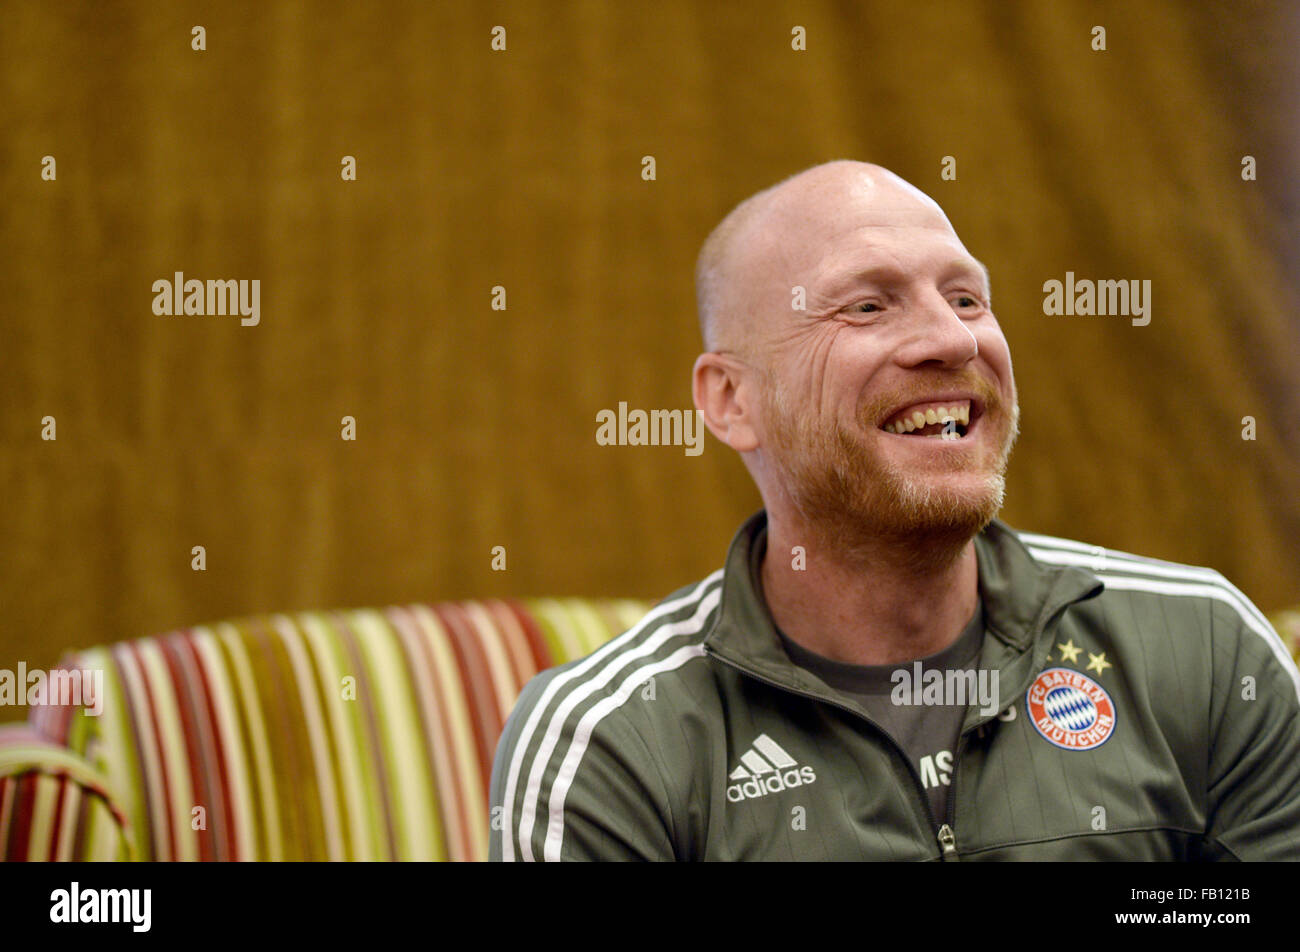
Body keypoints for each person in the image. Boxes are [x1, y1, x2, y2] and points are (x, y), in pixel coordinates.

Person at [489, 160, 1300, 860]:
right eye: (868, 307)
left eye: (968, 299)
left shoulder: (1205, 648)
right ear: (731, 400)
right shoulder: (612, 743)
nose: (951, 339)